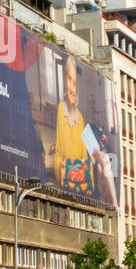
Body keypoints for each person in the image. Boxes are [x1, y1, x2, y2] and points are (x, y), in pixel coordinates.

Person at [53, 57, 116, 206]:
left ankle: (113, 205)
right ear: (63, 82)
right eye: (69, 80)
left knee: (104, 162)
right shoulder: (60, 109)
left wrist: (90, 182)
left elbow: (86, 156)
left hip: (81, 182)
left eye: (74, 83)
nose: (72, 88)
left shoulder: (81, 117)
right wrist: (63, 167)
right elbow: (59, 152)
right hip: (66, 179)